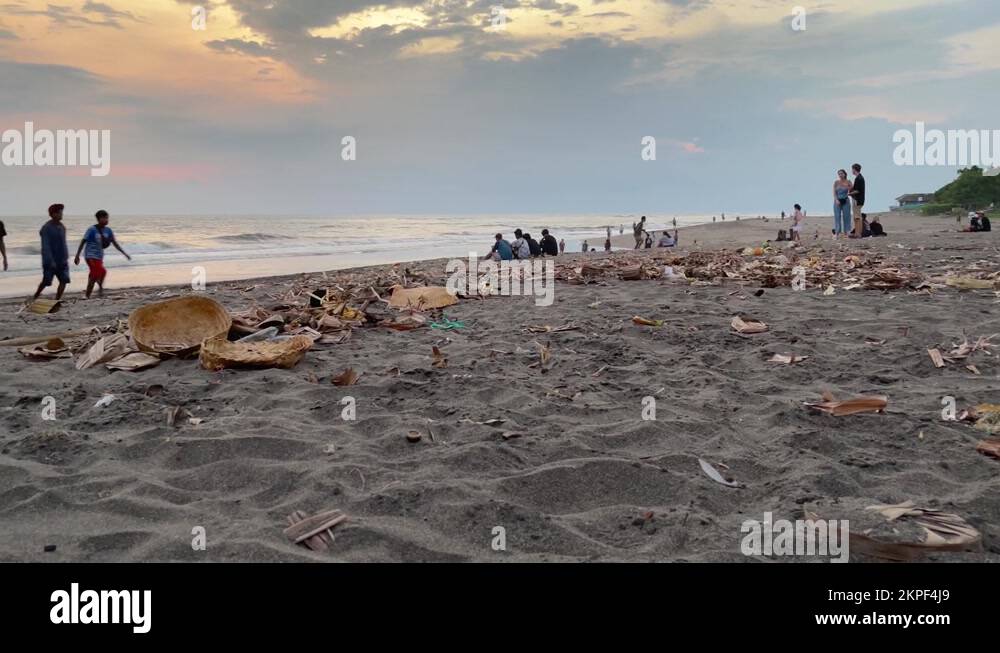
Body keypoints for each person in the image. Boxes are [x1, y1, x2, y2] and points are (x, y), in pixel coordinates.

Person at [74, 209, 131, 298]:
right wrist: (77, 255)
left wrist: (124, 253)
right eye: (104, 218)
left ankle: (88, 295)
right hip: (90, 256)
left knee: (96, 275)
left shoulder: (108, 230)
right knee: (100, 272)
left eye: (107, 218)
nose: (106, 220)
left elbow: (114, 243)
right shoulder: (92, 229)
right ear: (99, 219)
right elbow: (83, 241)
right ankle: (96, 291)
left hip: (99, 257)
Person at [33, 203, 70, 301]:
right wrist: (50, 260)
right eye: (59, 212)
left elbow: (63, 243)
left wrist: (66, 256)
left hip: (62, 259)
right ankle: (35, 297)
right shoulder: (47, 228)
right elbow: (46, 246)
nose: (61, 214)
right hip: (50, 260)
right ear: (53, 214)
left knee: (64, 280)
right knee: (46, 281)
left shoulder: (62, 227)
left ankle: (57, 300)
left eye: (61, 212)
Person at [832, 169, 852, 239]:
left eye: (841, 173)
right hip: (837, 201)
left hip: (845, 200)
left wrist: (848, 188)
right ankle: (837, 232)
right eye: (839, 174)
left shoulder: (848, 182)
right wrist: (836, 200)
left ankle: (847, 231)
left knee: (847, 216)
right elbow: (834, 193)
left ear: (845, 174)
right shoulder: (836, 182)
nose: (840, 175)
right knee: (837, 216)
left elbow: (851, 191)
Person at [849, 163, 865, 237]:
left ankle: (858, 233)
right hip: (858, 199)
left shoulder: (859, 178)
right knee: (856, 217)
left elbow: (858, 190)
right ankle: (857, 233)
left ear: (854, 169)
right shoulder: (859, 178)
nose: (851, 171)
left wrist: (849, 194)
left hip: (857, 200)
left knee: (857, 217)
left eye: (852, 169)